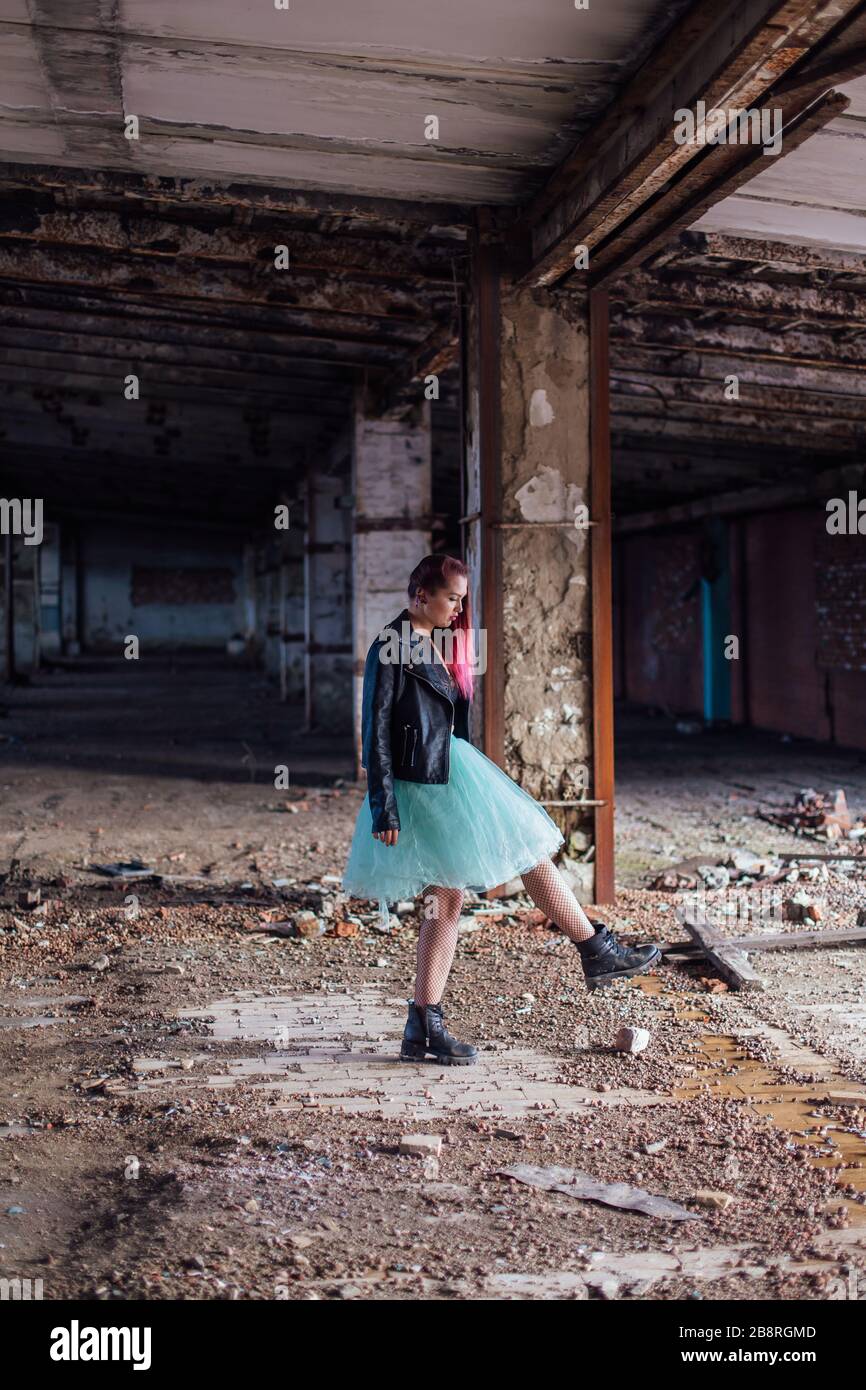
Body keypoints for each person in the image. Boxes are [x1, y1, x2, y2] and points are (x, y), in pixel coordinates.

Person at [341, 553, 660, 1066]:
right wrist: (385, 808)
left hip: (449, 771)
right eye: (451, 598)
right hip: (423, 782)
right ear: (420, 594)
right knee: (512, 854)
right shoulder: (391, 646)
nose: (458, 609)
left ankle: (424, 1026)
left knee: (452, 898)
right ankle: (596, 950)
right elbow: (374, 730)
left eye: (462, 600)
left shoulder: (439, 642)